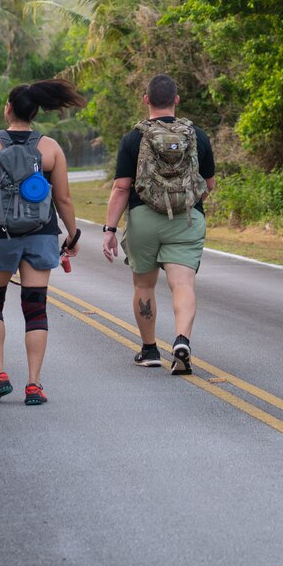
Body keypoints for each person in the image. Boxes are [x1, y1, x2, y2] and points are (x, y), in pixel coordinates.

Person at [0, 80, 85, 405]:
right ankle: (34, 384)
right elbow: (64, 198)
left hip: (0, 234)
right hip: (41, 234)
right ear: (36, 112)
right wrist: (72, 234)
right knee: (35, 308)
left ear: (8, 108)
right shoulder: (51, 148)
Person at [102, 74, 216, 375]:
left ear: (146, 100)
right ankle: (182, 340)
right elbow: (210, 184)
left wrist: (110, 230)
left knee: (144, 284)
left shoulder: (133, 138)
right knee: (183, 283)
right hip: (187, 219)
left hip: (143, 219)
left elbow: (121, 188)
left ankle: (150, 349)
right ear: (176, 100)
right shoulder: (198, 136)